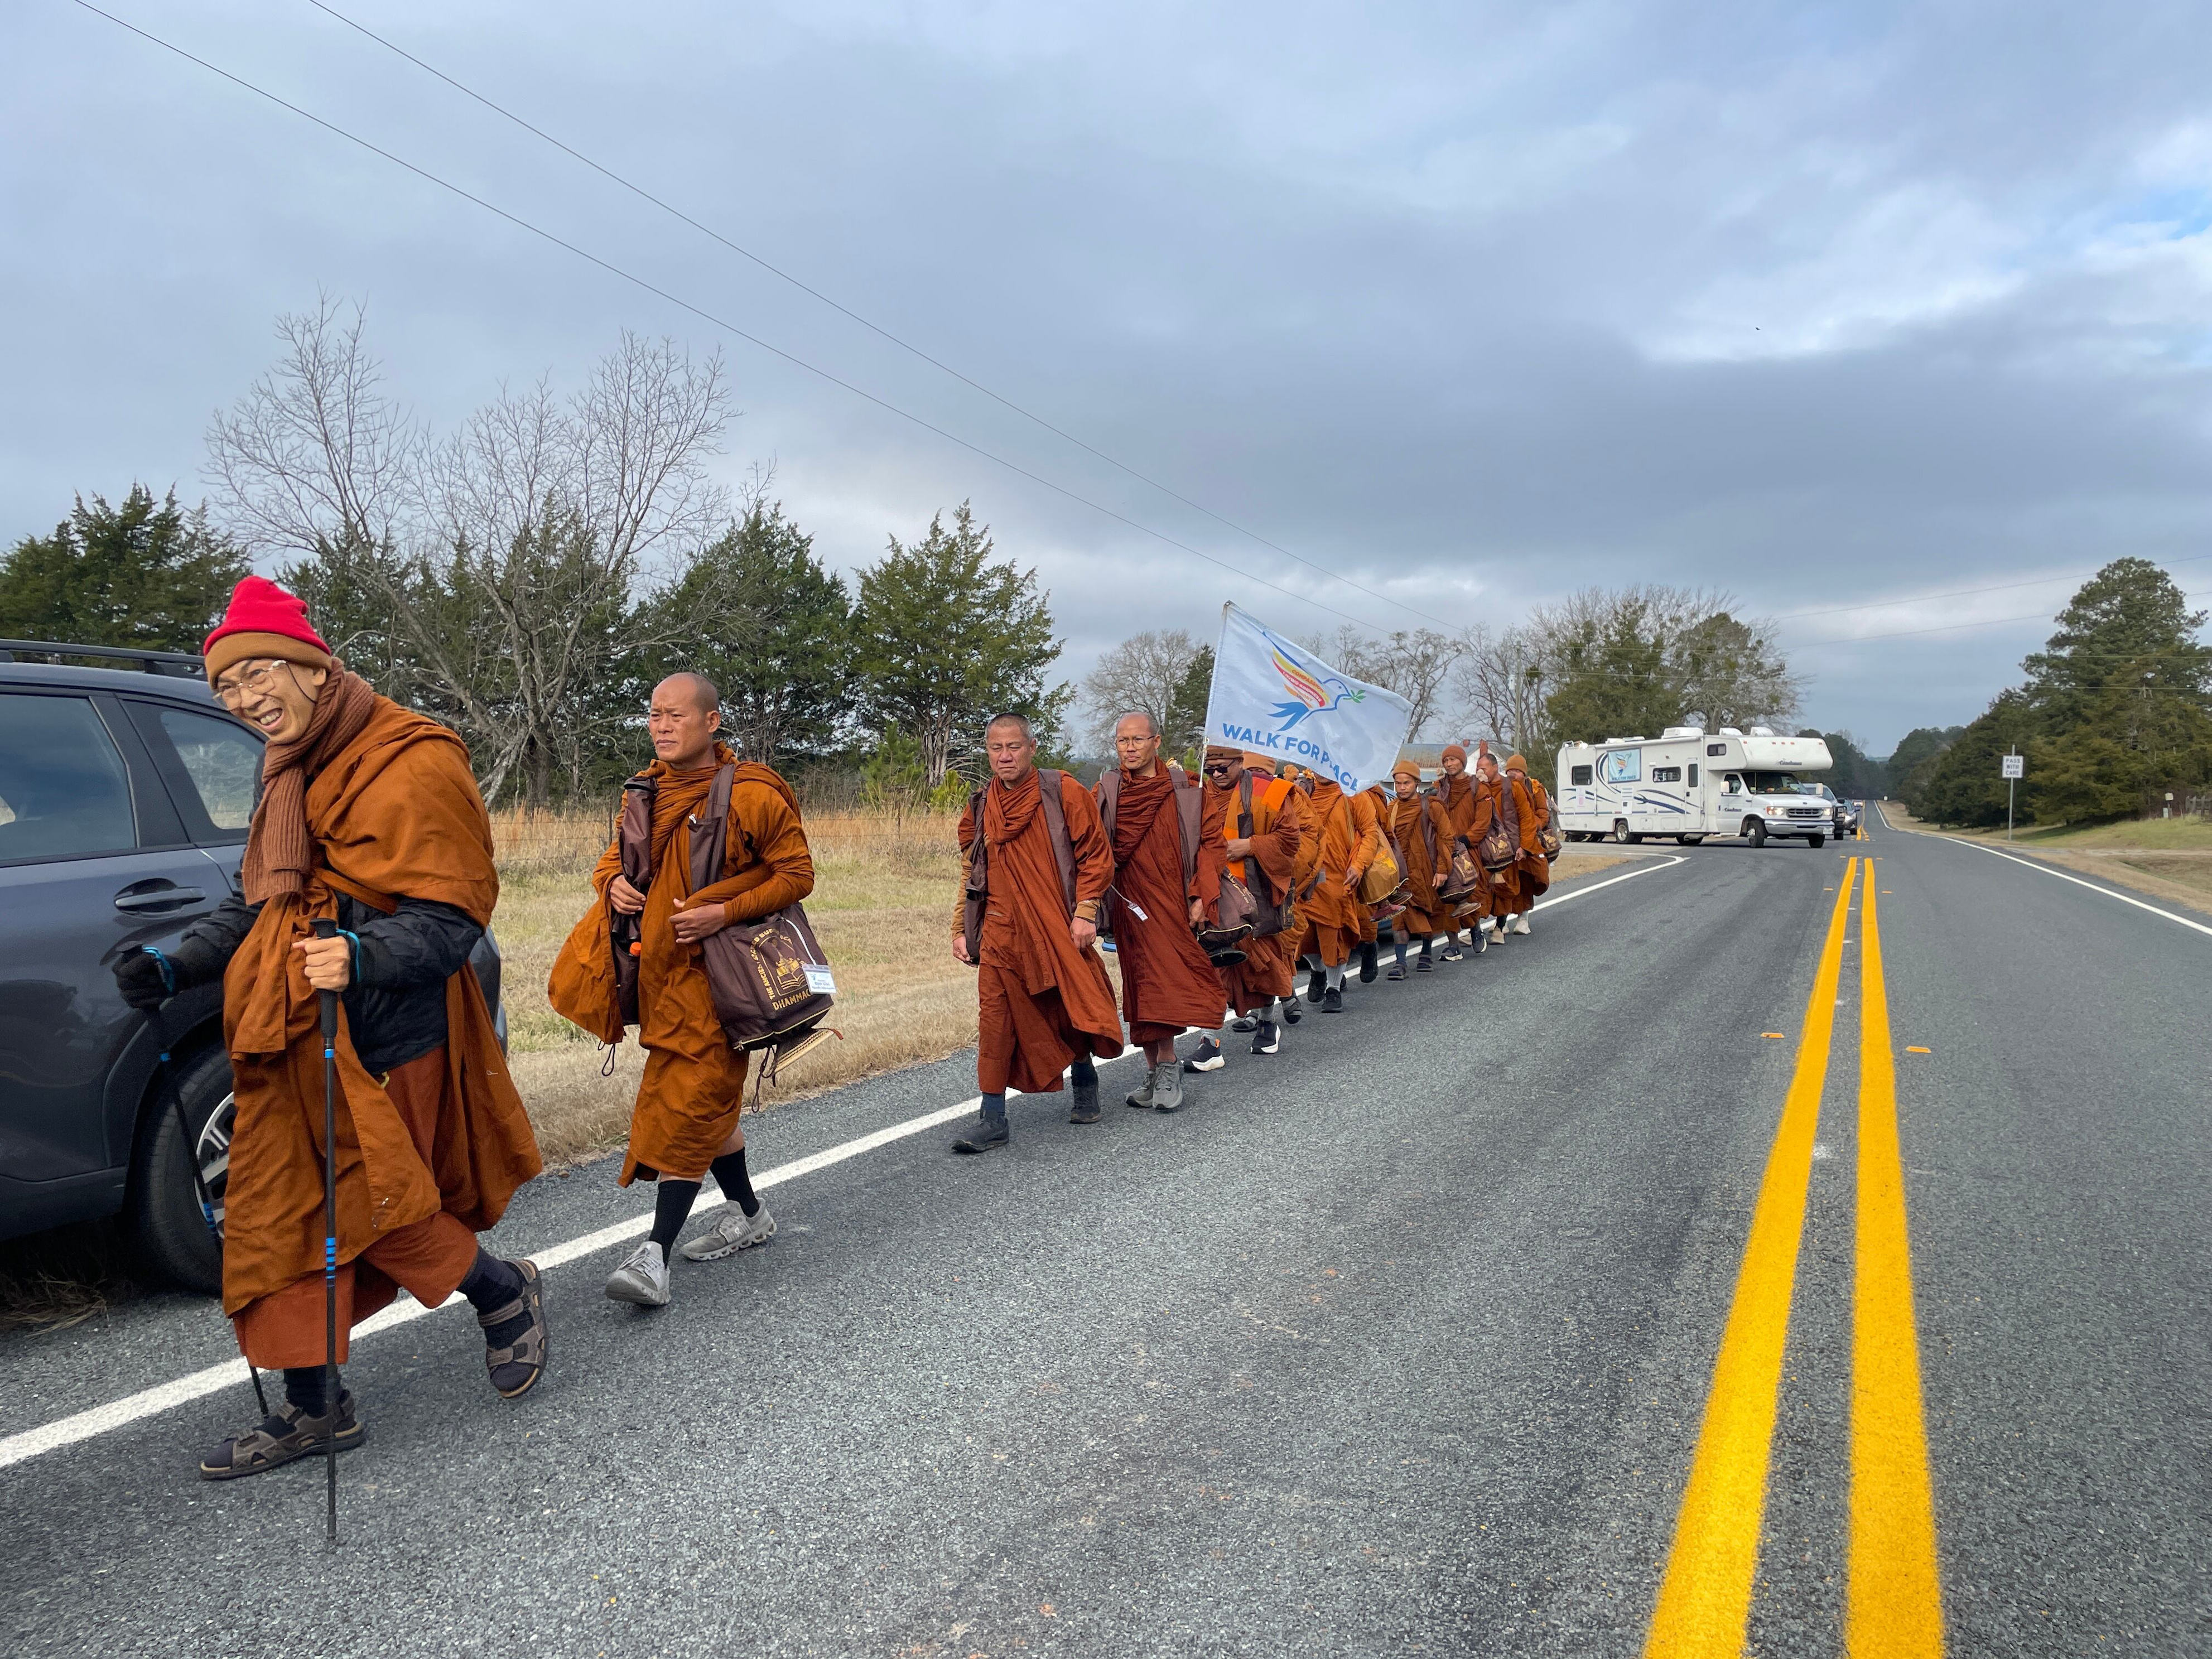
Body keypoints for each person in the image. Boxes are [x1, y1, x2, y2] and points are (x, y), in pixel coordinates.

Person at [113, 576, 545, 1480]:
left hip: (382, 1034)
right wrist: (177, 962)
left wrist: (362, 952)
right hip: (281, 1036)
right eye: (228, 686)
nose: (244, 698)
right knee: (276, 1219)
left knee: (374, 1210)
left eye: (258, 671)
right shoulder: (286, 771)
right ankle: (317, 1409)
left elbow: (455, 915)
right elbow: (257, 906)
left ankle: (503, 1291)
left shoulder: (414, 758)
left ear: (312, 664)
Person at [561, 673, 816, 1307]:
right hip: (663, 979)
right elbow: (613, 858)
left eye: (676, 715)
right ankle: (750, 1214)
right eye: (653, 715)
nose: (662, 725)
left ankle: (653, 1256)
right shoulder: (644, 792)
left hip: (724, 981)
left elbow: (798, 874)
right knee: (706, 1108)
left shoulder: (752, 793)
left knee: (686, 1105)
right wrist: (612, 882)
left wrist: (721, 912)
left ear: (712, 722)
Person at [946, 713, 1121, 1151]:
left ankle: (1083, 1077)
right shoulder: (980, 804)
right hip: (1002, 931)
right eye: (995, 749)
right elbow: (973, 872)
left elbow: (1096, 856)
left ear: (1032, 747)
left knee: (1066, 1006)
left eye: (1014, 747)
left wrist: (1086, 912)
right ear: (987, 752)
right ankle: (992, 1117)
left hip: (1058, 924)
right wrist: (960, 928)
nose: (1005, 757)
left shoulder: (1063, 792)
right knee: (995, 1020)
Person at [1097, 713, 1228, 1112]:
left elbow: (1211, 846)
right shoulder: (1106, 790)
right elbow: (1087, 843)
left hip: (1171, 903)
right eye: (1123, 741)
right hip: (1128, 904)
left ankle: (1169, 1064)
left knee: (1164, 982)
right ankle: (1153, 1072)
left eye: (1138, 739)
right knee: (1139, 985)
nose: (1130, 747)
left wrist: (1199, 897)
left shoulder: (1187, 790)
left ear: (1157, 741)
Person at [1190, 746, 1310, 1063]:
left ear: (1240, 763)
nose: (1215, 775)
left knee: (1262, 964)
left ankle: (1268, 1023)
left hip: (1257, 893)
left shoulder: (1268, 791)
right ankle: (1209, 1041)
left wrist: (1251, 845)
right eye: (1210, 769)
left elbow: (1291, 841)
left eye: (1222, 768)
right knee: (1211, 967)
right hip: (1210, 892)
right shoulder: (1195, 794)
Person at [1293, 766, 1381, 1014]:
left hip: (1339, 874)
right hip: (1306, 876)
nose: (1322, 772)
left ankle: (1333, 988)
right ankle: (1318, 970)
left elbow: (1370, 832)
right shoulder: (1304, 794)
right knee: (1302, 933)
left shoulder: (1354, 795)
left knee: (1335, 933)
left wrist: (1359, 865)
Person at [1384, 759, 1455, 977]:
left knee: (1428, 912)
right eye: (1398, 784)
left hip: (1427, 871)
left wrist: (1443, 869)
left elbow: (1447, 838)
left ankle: (1425, 953)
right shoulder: (1392, 809)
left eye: (1407, 783)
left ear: (1416, 783)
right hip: (1400, 875)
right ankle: (1401, 963)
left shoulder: (1431, 807)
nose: (1402, 788)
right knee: (1401, 916)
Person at [1432, 743, 1486, 959]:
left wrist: (1466, 839)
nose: (1449, 764)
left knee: (1470, 891)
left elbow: (1484, 820)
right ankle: (1453, 944)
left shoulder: (1477, 786)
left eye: (1453, 760)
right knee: (1445, 896)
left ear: (1462, 761)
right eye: (1446, 761)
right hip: (1444, 848)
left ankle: (1475, 928)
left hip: (1468, 849)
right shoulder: (1438, 787)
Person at [1500, 754, 1552, 935]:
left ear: (1524, 773)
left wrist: (1528, 827)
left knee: (1527, 880)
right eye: (1510, 771)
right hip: (1507, 842)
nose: (1513, 774)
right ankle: (1502, 921)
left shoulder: (1535, 788)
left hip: (1530, 841)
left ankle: (1523, 919)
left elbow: (1543, 814)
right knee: (1505, 881)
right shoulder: (1502, 787)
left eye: (1517, 771)